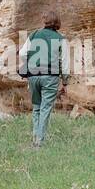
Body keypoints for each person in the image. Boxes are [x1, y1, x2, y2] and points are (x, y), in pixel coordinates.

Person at [25, 15, 66, 147]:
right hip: (50, 76)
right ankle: (40, 142)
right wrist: (65, 82)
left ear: (45, 21)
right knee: (45, 108)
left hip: (33, 75)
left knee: (36, 107)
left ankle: (35, 138)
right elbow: (64, 63)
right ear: (58, 24)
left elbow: (21, 53)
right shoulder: (61, 39)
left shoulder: (34, 34)